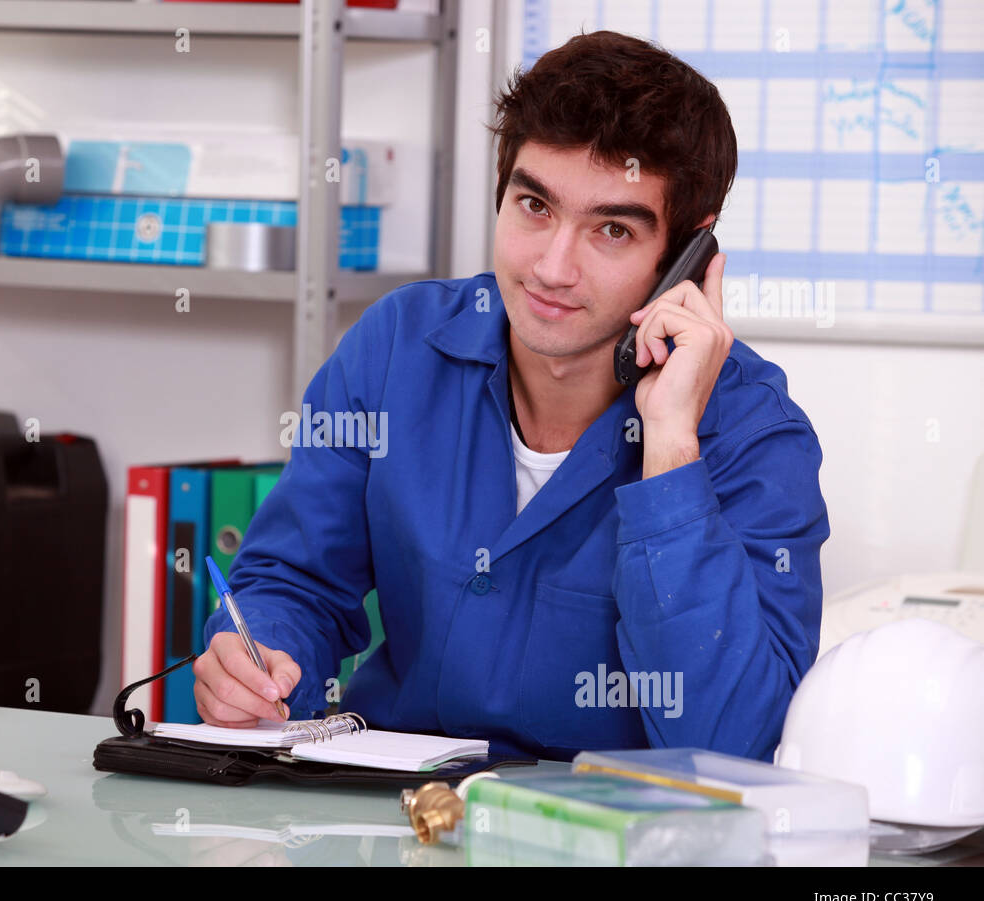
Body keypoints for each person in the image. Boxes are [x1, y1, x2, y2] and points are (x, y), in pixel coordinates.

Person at [193, 30, 830, 762]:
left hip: (603, 838)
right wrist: (259, 659)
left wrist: (672, 450)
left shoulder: (755, 436)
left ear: (689, 253)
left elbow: (735, 746)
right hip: (385, 814)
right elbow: (296, 580)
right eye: (535, 206)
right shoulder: (397, 345)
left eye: (613, 230)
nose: (553, 268)